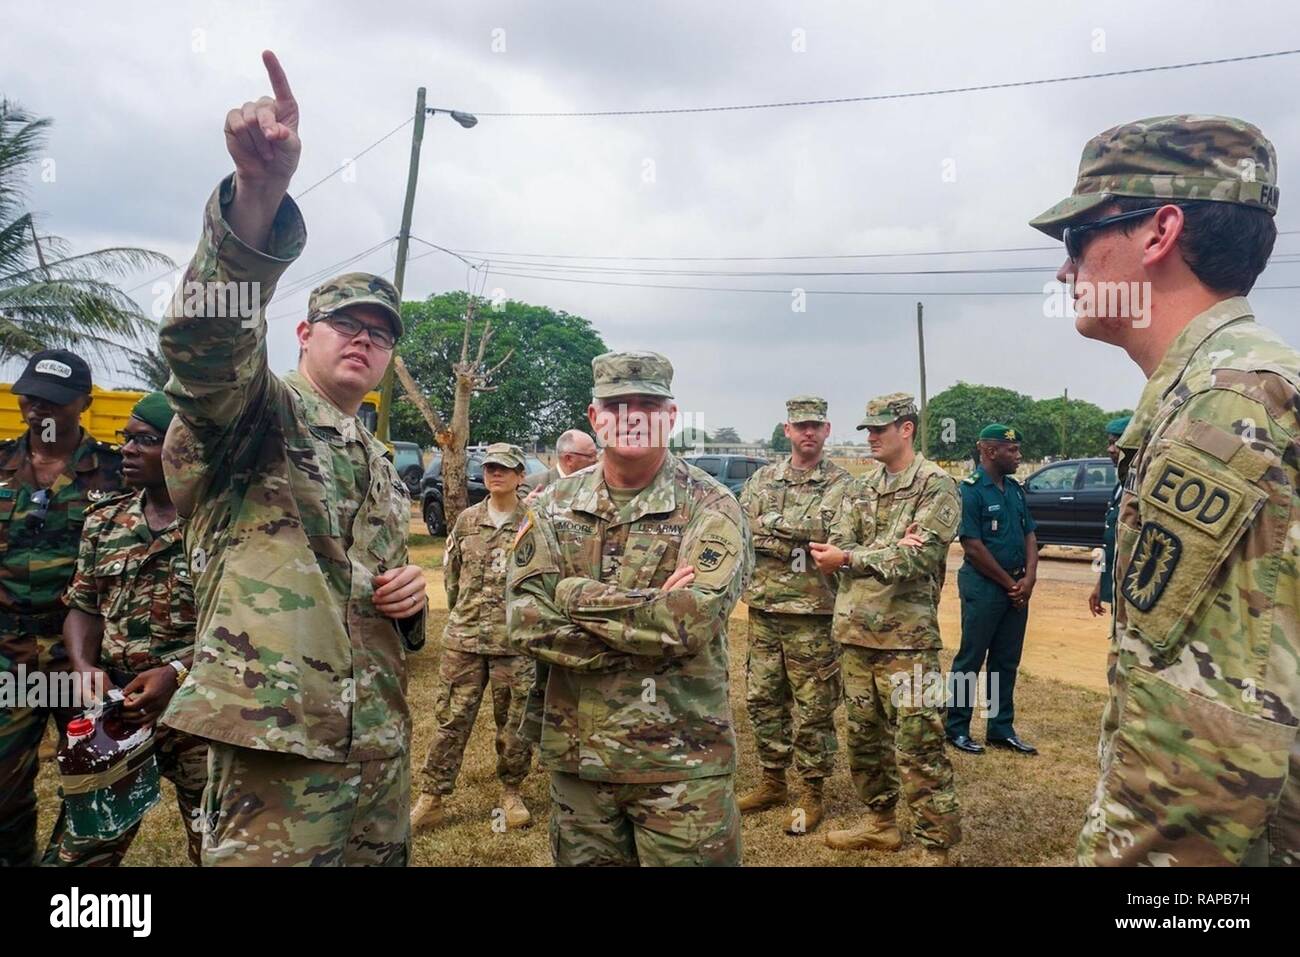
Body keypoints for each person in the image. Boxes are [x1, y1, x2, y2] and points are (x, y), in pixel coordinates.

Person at [157, 50, 426, 867]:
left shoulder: (375, 459)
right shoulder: (253, 415)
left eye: (381, 334)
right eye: (348, 323)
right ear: (305, 333)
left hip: (374, 741)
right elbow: (206, 349)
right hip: (277, 747)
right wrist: (258, 201)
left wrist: (409, 609)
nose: (366, 339)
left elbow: (369, 595)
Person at [1030, 114, 1299, 866]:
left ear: (1158, 233)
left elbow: (1200, 761)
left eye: (1076, 238)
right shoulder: (1252, 385)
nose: (1065, 269)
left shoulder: (1223, 413)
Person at [506, 350, 751, 866]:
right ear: (595, 419)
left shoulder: (712, 505)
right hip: (580, 761)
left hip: (682, 762)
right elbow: (525, 620)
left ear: (670, 416)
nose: (632, 417)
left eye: (647, 404)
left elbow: (689, 622)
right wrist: (647, 622)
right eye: (617, 406)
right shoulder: (552, 504)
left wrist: (570, 594)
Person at [43, 392, 206, 866]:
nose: (128, 450)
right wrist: (81, 665)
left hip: (201, 715)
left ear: (181, 448)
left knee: (221, 850)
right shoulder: (106, 520)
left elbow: (240, 624)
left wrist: (175, 671)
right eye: (126, 439)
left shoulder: (219, 527)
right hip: (119, 713)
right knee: (81, 852)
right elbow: (84, 606)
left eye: (146, 440)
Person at [810, 393, 962, 865]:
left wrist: (857, 557)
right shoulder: (862, 486)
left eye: (879, 428)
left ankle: (936, 848)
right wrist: (883, 548)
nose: (871, 437)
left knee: (918, 745)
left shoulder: (937, 486)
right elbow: (833, 546)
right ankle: (880, 824)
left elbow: (919, 556)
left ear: (907, 428)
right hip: (855, 635)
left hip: (907, 644)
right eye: (867, 430)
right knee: (864, 741)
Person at [0, 349, 121, 866]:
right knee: (2, 787)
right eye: (28, 397)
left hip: (86, 654)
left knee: (94, 784)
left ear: (82, 404)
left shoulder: (119, 474)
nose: (36, 410)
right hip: (8, 650)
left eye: (51, 401)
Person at [735, 395, 850, 835]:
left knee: (815, 707)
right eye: (799, 425)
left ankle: (811, 792)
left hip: (815, 615)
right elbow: (747, 532)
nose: (807, 432)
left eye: (815, 425)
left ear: (826, 430)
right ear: (787, 430)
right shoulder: (763, 478)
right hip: (765, 610)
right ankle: (771, 781)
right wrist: (797, 536)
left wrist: (775, 528)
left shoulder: (843, 485)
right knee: (763, 700)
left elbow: (833, 539)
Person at [411, 443, 536, 833]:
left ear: (520, 476)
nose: (495, 473)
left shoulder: (536, 522)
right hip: (465, 640)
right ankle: (431, 798)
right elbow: (452, 578)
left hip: (513, 644)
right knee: (450, 721)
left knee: (514, 725)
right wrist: (463, 614)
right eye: (489, 468)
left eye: (504, 468)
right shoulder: (466, 520)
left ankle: (511, 793)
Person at [944, 424, 1039, 756]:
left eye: (1017, 449)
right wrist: (1010, 583)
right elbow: (972, 545)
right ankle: (956, 728)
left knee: (1006, 659)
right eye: (1011, 450)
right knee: (971, 658)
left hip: (1016, 587)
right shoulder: (970, 490)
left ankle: (1000, 728)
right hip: (984, 587)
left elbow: (1030, 533)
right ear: (989, 451)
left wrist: (1030, 579)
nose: (1018, 455)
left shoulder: (1014, 489)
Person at [1088, 416, 1130, 619]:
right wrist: (1100, 585)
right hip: (1115, 587)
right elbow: (1108, 543)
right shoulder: (1120, 486)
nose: (1110, 449)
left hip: (1131, 592)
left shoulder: (1141, 487)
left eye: (1117, 443)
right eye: (1110, 443)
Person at [524, 429, 598, 494]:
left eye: (596, 454)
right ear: (569, 459)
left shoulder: (597, 483)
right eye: (591, 456)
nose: (596, 460)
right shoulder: (532, 485)